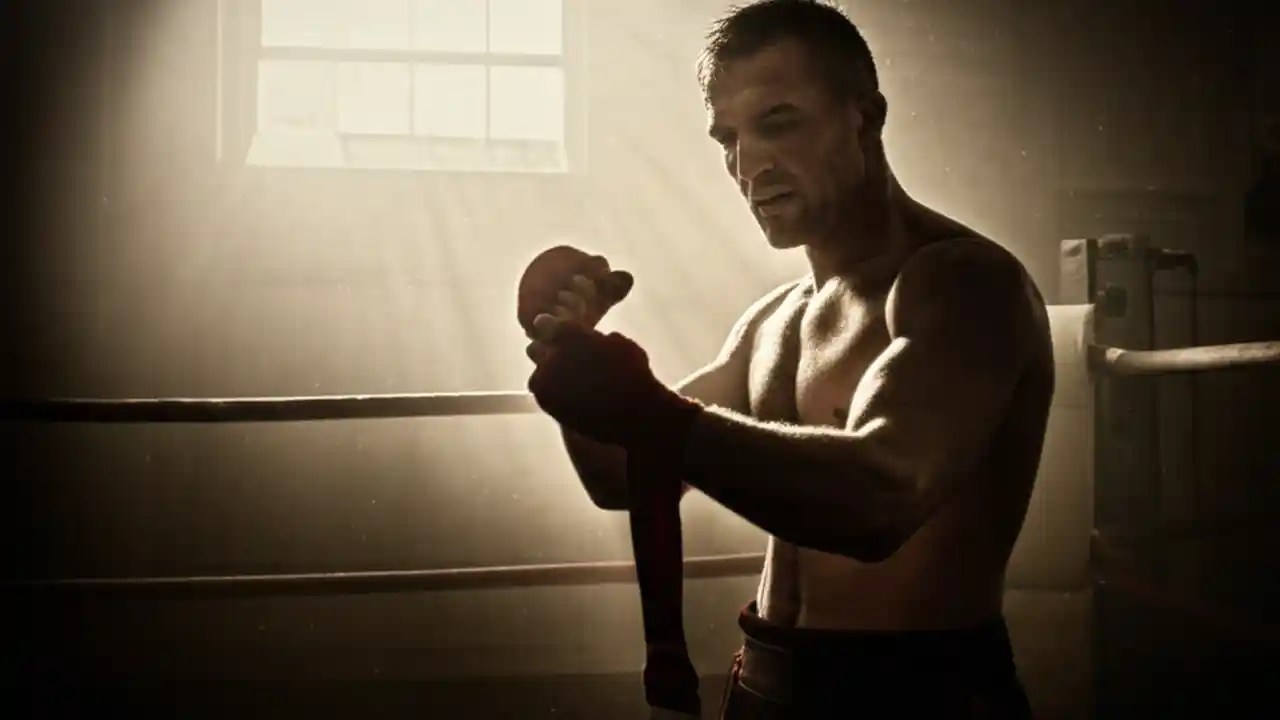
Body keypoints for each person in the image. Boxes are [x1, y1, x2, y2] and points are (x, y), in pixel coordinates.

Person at [523, 1, 1053, 716]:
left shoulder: (962, 283)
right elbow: (622, 473)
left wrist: (649, 411)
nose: (749, 164)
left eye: (779, 123)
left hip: (919, 695)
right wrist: (571, 362)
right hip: (766, 685)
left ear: (865, 116)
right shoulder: (773, 321)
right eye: (727, 139)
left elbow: (881, 498)